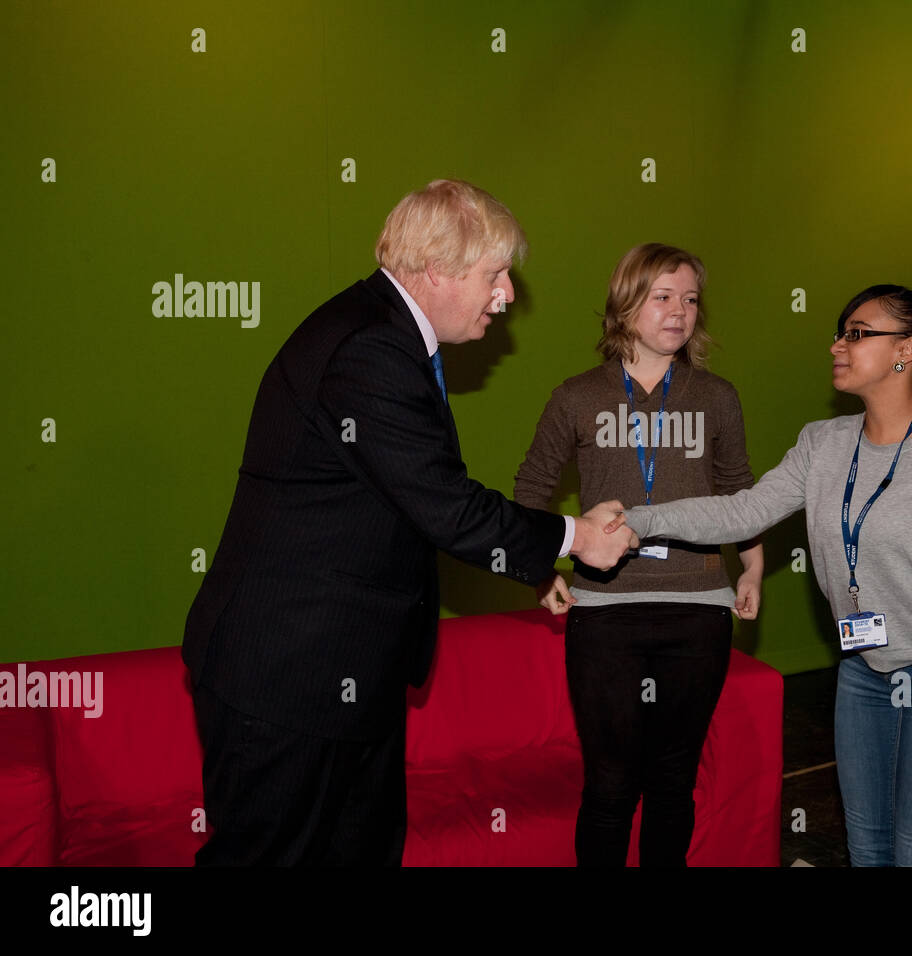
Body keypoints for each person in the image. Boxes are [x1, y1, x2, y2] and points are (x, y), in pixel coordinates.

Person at [182, 179, 636, 866]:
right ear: (436, 271)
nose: (507, 294)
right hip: (287, 677)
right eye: (495, 275)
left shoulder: (383, 335)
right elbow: (444, 504)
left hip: (343, 674)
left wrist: (534, 562)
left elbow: (402, 506)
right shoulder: (368, 350)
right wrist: (576, 538)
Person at [606, 278, 912, 866]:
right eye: (840, 332)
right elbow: (742, 510)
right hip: (864, 673)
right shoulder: (823, 444)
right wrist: (636, 520)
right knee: (867, 848)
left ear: (908, 350)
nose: (837, 345)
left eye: (857, 334)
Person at [513, 243, 763, 867]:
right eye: (663, 296)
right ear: (625, 305)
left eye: (691, 299)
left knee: (674, 781)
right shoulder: (575, 396)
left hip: (699, 607)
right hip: (604, 613)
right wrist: (539, 571)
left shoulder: (716, 396)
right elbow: (530, 492)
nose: (680, 311)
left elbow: (740, 492)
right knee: (610, 783)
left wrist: (754, 565)